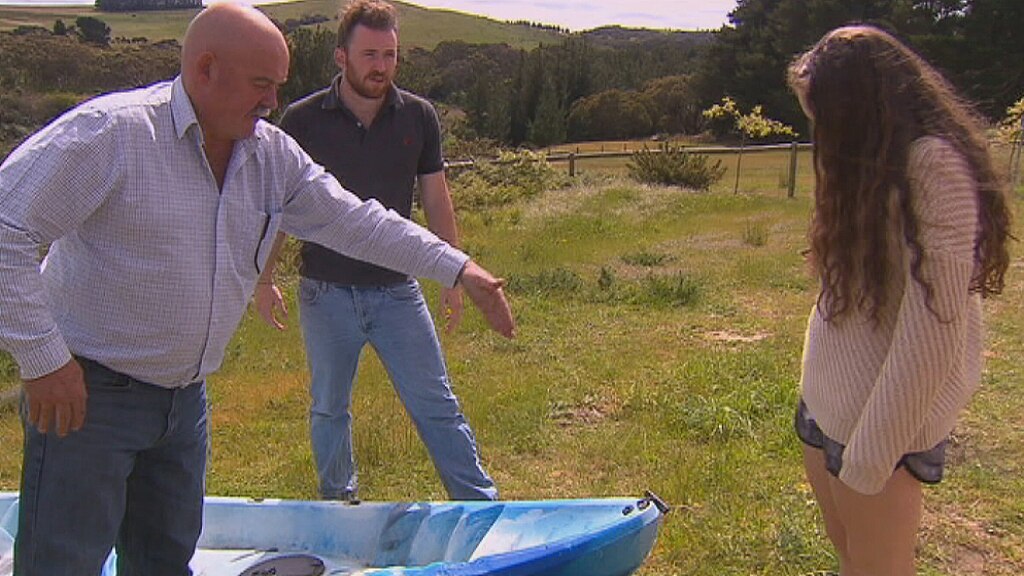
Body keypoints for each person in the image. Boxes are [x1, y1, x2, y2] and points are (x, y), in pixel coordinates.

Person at [0, 3, 514, 575]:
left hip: (184, 402)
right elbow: (5, 228)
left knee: (163, 563)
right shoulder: (113, 135)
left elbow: (356, 221)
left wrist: (458, 267)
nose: (272, 102)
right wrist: (43, 361)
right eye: (260, 84)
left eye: (279, 86)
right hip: (85, 398)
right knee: (61, 564)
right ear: (206, 69)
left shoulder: (270, 155)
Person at [788, 25, 1012, 576]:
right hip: (828, 407)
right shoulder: (865, 165)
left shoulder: (933, 167)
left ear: (859, 108)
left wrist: (871, 459)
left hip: (880, 427)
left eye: (823, 115)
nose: (819, 130)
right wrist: (813, 396)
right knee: (849, 554)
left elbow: (934, 330)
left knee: (879, 567)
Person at [254, 0, 496, 502]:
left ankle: (480, 507)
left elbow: (436, 198)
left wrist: (454, 273)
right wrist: (264, 277)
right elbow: (281, 207)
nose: (381, 66)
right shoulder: (302, 121)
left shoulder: (419, 117)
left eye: (389, 55)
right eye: (369, 54)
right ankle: (339, 509)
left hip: (397, 291)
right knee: (328, 408)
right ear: (341, 57)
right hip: (326, 292)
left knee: (436, 403)